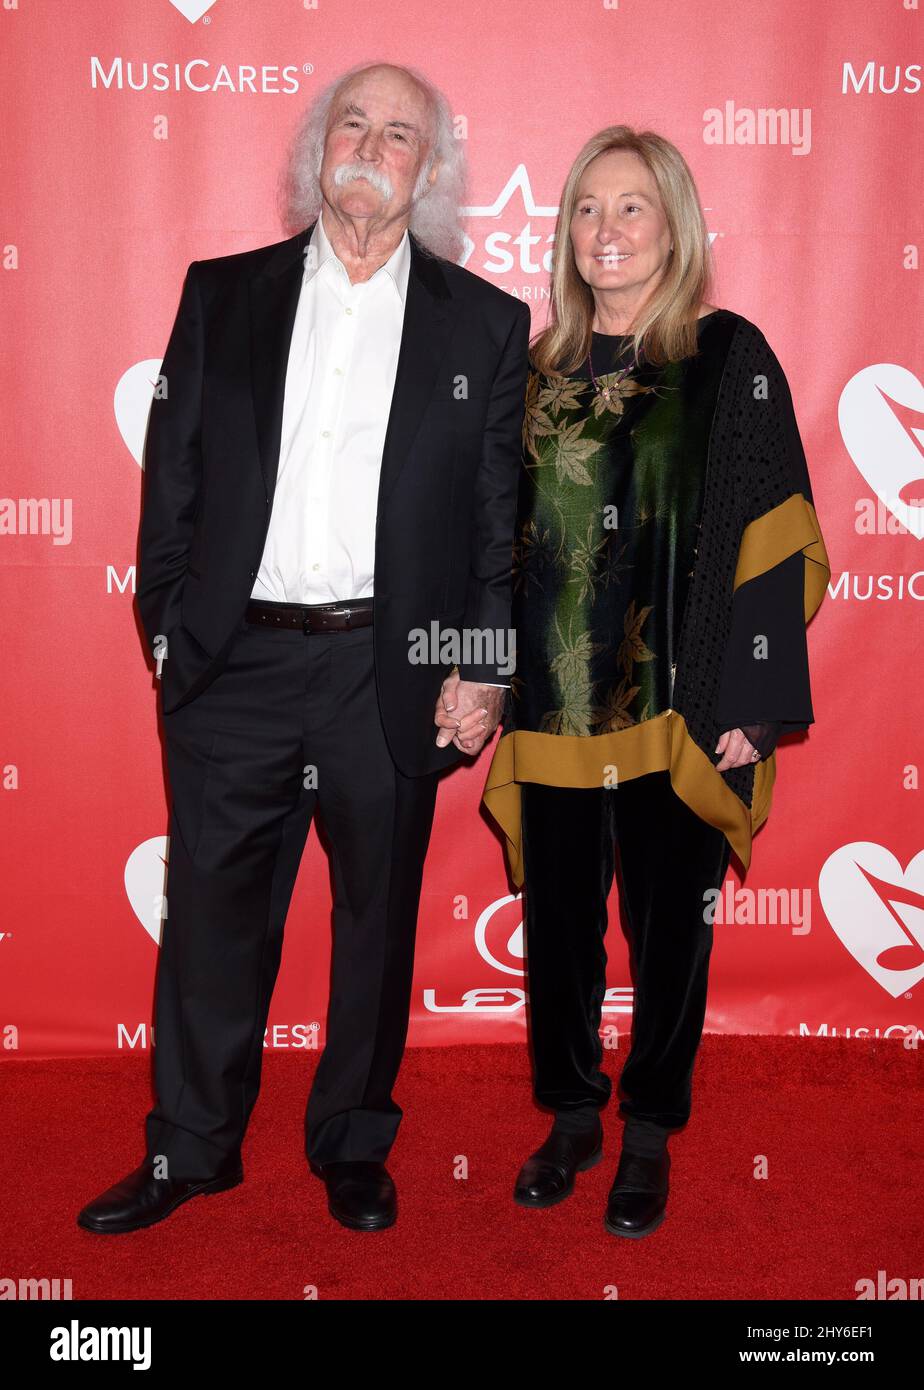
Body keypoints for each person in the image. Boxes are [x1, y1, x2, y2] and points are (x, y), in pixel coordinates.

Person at [77, 62, 529, 1236]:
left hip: (392, 669)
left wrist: (480, 666)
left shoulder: (484, 323)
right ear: (316, 146)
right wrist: (171, 632)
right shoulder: (222, 295)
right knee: (213, 920)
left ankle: (351, 1143)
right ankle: (190, 1148)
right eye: (353, 123)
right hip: (234, 667)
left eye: (400, 134)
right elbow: (170, 477)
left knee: (376, 927)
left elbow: (497, 522)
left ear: (429, 172)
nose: (371, 146)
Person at [481, 126, 830, 1238]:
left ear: (673, 224)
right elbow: (490, 546)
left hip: (682, 704)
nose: (606, 232)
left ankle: (646, 1131)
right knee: (565, 924)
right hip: (551, 705)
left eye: (632, 208)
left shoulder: (729, 356)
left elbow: (771, 536)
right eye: (587, 208)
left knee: (671, 927)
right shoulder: (529, 375)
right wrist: (480, 673)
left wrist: (756, 700)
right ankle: (572, 1115)